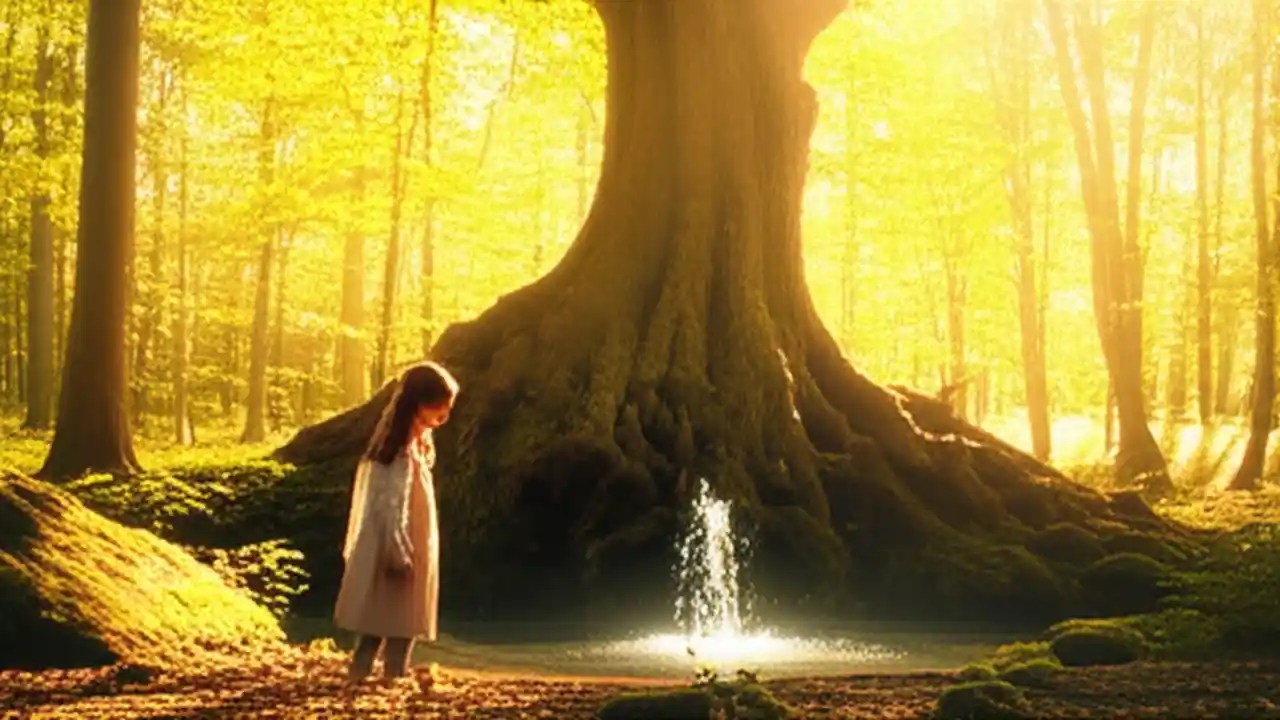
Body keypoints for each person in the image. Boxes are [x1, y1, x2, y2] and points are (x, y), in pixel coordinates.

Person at [334, 360, 458, 684]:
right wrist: (398, 551)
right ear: (419, 405)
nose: (444, 414)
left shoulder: (413, 445)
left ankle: (375, 677)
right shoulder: (397, 452)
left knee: (388, 620)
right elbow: (390, 505)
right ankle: (385, 678)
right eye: (440, 407)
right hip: (400, 546)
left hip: (410, 542)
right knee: (394, 621)